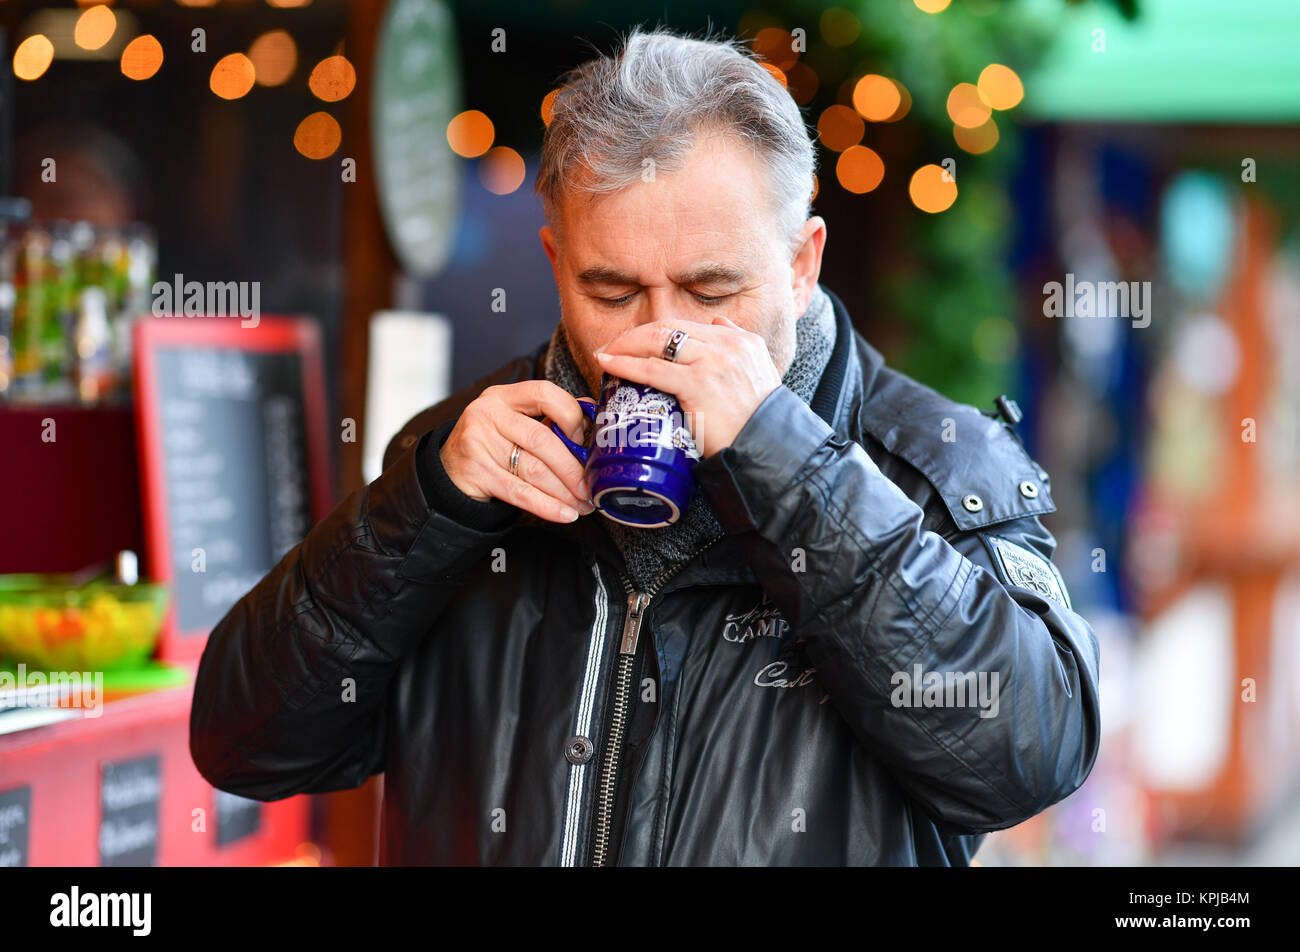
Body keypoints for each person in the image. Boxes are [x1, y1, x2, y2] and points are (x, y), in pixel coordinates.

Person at [190, 27, 1100, 865]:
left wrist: (786, 465)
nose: (662, 337)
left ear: (801, 262)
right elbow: (244, 742)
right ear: (554, 263)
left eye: (711, 292)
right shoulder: (466, 456)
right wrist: (424, 507)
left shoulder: (939, 466)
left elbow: (1027, 754)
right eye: (613, 291)